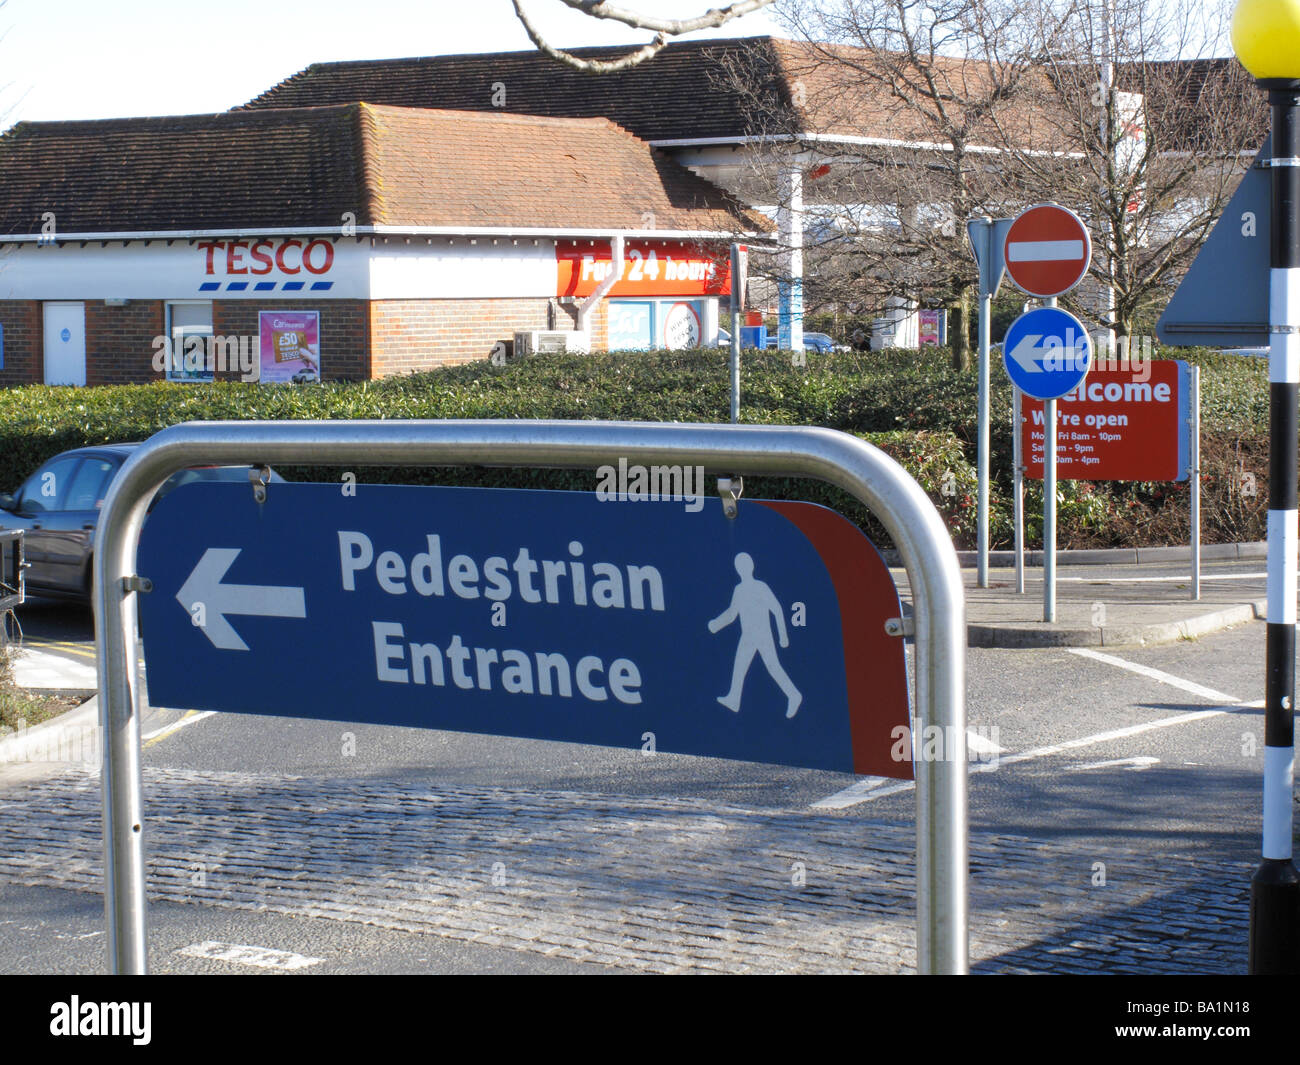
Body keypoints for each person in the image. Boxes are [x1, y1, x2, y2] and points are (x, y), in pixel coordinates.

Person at [707, 551, 802, 718]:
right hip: (748, 636)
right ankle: (734, 699)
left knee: (773, 668)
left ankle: (794, 695)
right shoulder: (739, 589)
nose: (741, 569)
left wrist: (783, 636)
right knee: (739, 667)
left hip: (763, 634)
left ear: (749, 567)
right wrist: (715, 624)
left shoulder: (761, 587)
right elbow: (732, 614)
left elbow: (777, 609)